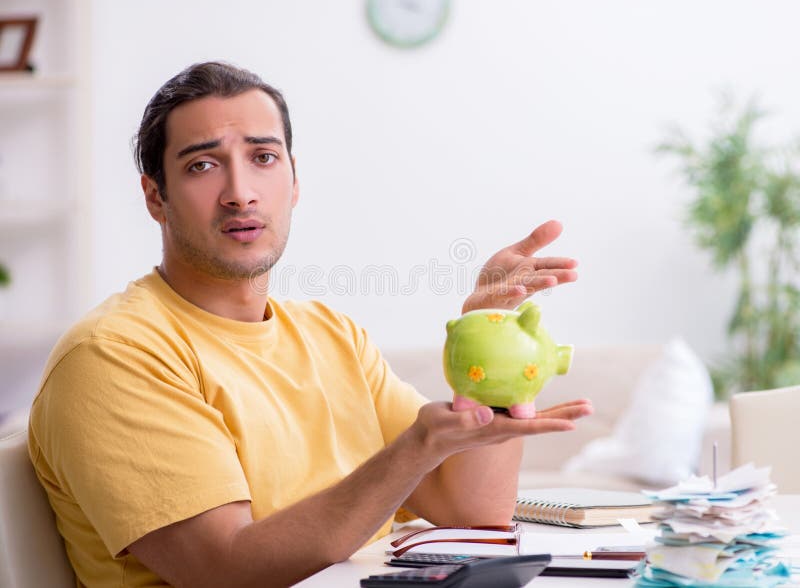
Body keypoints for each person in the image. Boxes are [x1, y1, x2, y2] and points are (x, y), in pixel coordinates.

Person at [28, 61, 592, 587]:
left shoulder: (331, 333)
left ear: (294, 181)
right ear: (156, 197)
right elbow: (224, 570)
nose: (240, 192)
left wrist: (490, 335)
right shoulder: (114, 354)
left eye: (264, 158)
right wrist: (414, 447)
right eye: (202, 165)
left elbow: (472, 512)